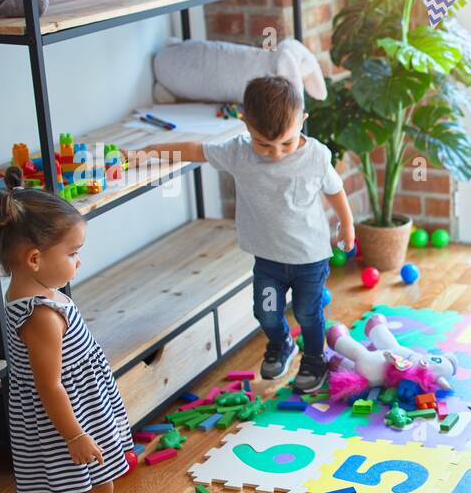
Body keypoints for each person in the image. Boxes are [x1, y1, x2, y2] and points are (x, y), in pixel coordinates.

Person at [0, 189, 160, 493]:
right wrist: (76, 435)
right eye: (74, 252)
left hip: (47, 421)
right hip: (71, 418)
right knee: (99, 489)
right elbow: (50, 384)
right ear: (35, 259)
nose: (79, 260)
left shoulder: (27, 296)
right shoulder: (42, 314)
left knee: (59, 490)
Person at [129, 75, 354, 393]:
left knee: (307, 311)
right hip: (269, 260)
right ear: (245, 124)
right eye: (264, 144)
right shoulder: (238, 153)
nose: (275, 153)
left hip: (310, 259)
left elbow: (335, 189)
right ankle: (281, 343)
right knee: (266, 311)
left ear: (302, 121)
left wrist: (347, 224)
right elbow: (195, 150)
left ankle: (315, 358)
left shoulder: (316, 156)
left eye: (286, 143)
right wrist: (150, 150)